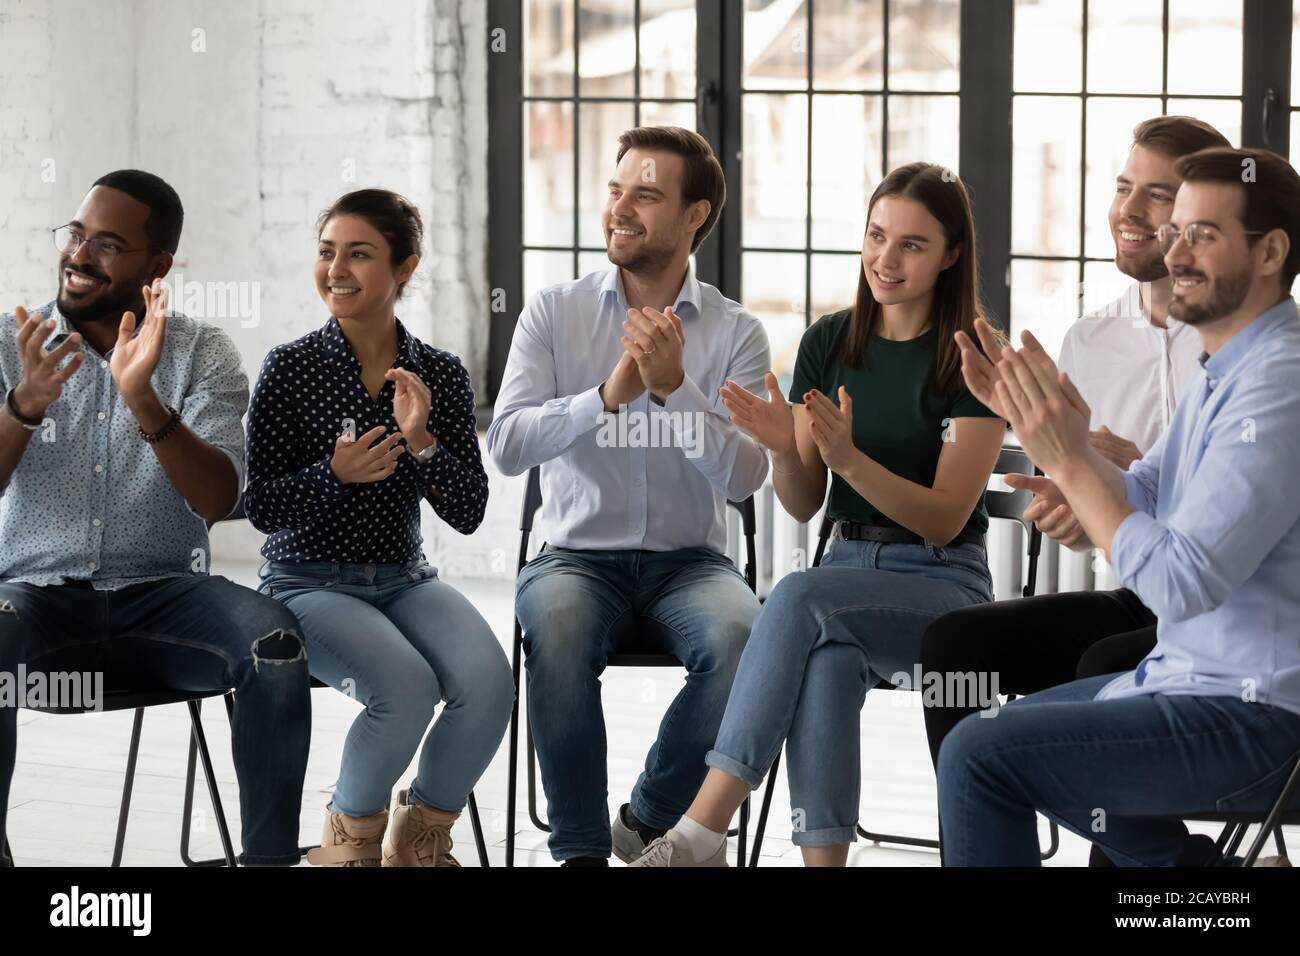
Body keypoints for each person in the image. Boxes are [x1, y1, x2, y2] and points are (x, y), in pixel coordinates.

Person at [631, 162, 1005, 867]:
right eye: (876, 236)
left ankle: (700, 828)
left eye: (912, 245)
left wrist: (853, 461)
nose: (884, 260)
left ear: (953, 254)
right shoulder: (830, 341)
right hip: (843, 575)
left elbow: (946, 520)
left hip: (943, 589)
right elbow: (804, 501)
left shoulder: (973, 356)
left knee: (798, 595)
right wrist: (782, 450)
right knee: (827, 661)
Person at [939, 147, 1300, 866]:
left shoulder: (1278, 386)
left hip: (1257, 717)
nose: (1177, 252)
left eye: (1204, 234)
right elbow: (1150, 492)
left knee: (982, 756)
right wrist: (1070, 444)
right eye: (1177, 232)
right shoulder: (1223, 366)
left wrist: (1072, 460)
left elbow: (1179, 583)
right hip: (1186, 678)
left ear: (1271, 254)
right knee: (975, 737)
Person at [0, 170, 310, 867]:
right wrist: (23, 407)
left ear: (157, 265)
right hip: (36, 601)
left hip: (166, 598)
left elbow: (217, 498)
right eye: (76, 234)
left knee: (277, 644)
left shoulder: (202, 352)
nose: (78, 256)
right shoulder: (9, 343)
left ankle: (269, 863)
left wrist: (145, 402)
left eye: (107, 244)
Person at [487, 126, 770, 866]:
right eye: (616, 191)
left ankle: (646, 821)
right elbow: (508, 446)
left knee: (746, 638)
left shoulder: (738, 332)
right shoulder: (553, 313)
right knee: (557, 624)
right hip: (576, 558)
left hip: (694, 565)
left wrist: (676, 390)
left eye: (646, 196)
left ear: (694, 217)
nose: (620, 209)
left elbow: (745, 479)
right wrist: (605, 397)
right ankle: (579, 853)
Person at [244, 189, 512, 867]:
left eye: (359, 254)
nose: (336, 268)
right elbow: (261, 508)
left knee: (489, 684)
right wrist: (333, 476)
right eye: (327, 251)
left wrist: (421, 440)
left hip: (405, 580)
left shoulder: (440, 375)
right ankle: (347, 846)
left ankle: (418, 841)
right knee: (405, 690)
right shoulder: (291, 367)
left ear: (405, 267)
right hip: (306, 582)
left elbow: (470, 511)